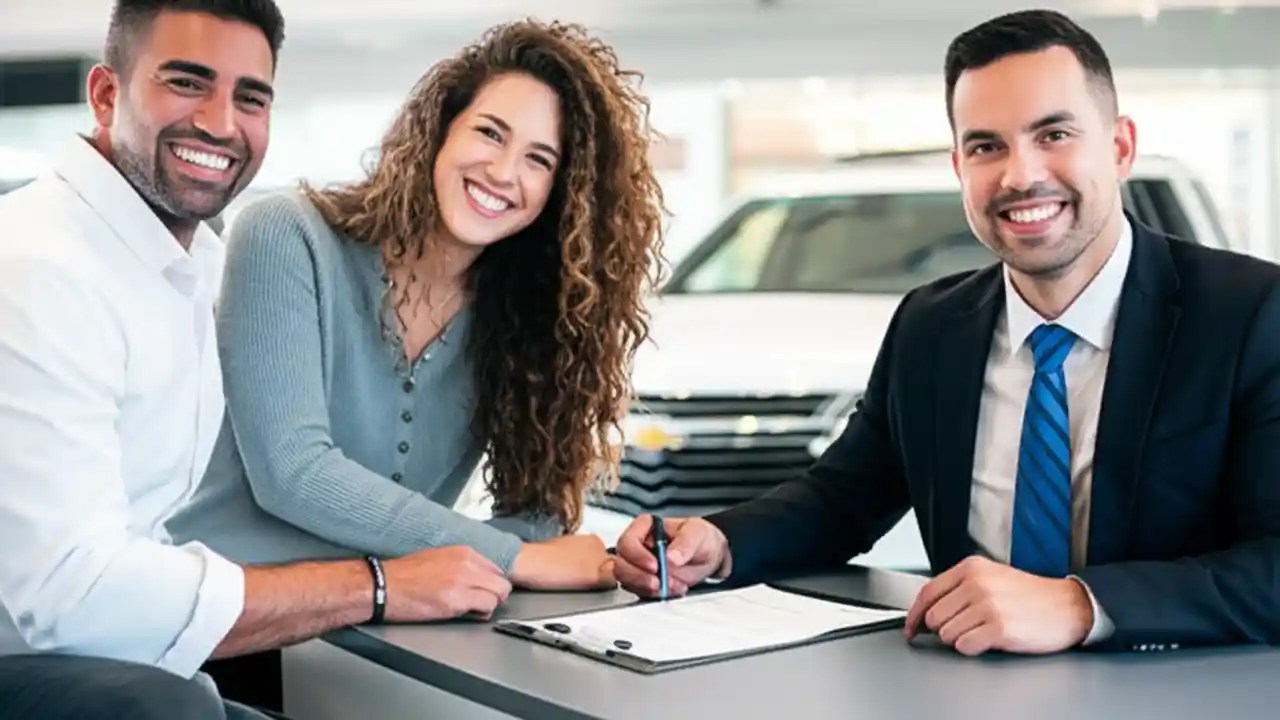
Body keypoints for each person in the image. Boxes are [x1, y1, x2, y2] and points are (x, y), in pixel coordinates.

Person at [613, 8, 1280, 656]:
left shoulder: (1250, 315)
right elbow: (842, 499)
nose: (1021, 175)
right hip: (962, 690)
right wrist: (721, 540)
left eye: (1053, 134)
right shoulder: (931, 327)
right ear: (961, 168)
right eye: (987, 145)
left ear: (1120, 145)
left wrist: (1083, 604)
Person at [0, 3, 513, 718]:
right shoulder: (37, 267)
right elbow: (73, 596)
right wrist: (379, 585)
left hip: (119, 675)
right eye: (186, 83)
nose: (220, 123)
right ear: (106, 95)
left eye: (251, 97)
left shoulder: (198, 266)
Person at [167, 19, 665, 592]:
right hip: (226, 620)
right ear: (441, 130)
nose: (503, 172)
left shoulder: (525, 313)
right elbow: (292, 473)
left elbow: (537, 516)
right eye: (490, 133)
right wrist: (512, 559)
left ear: (564, 191)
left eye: (539, 159)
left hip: (389, 631)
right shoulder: (287, 235)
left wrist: (606, 560)